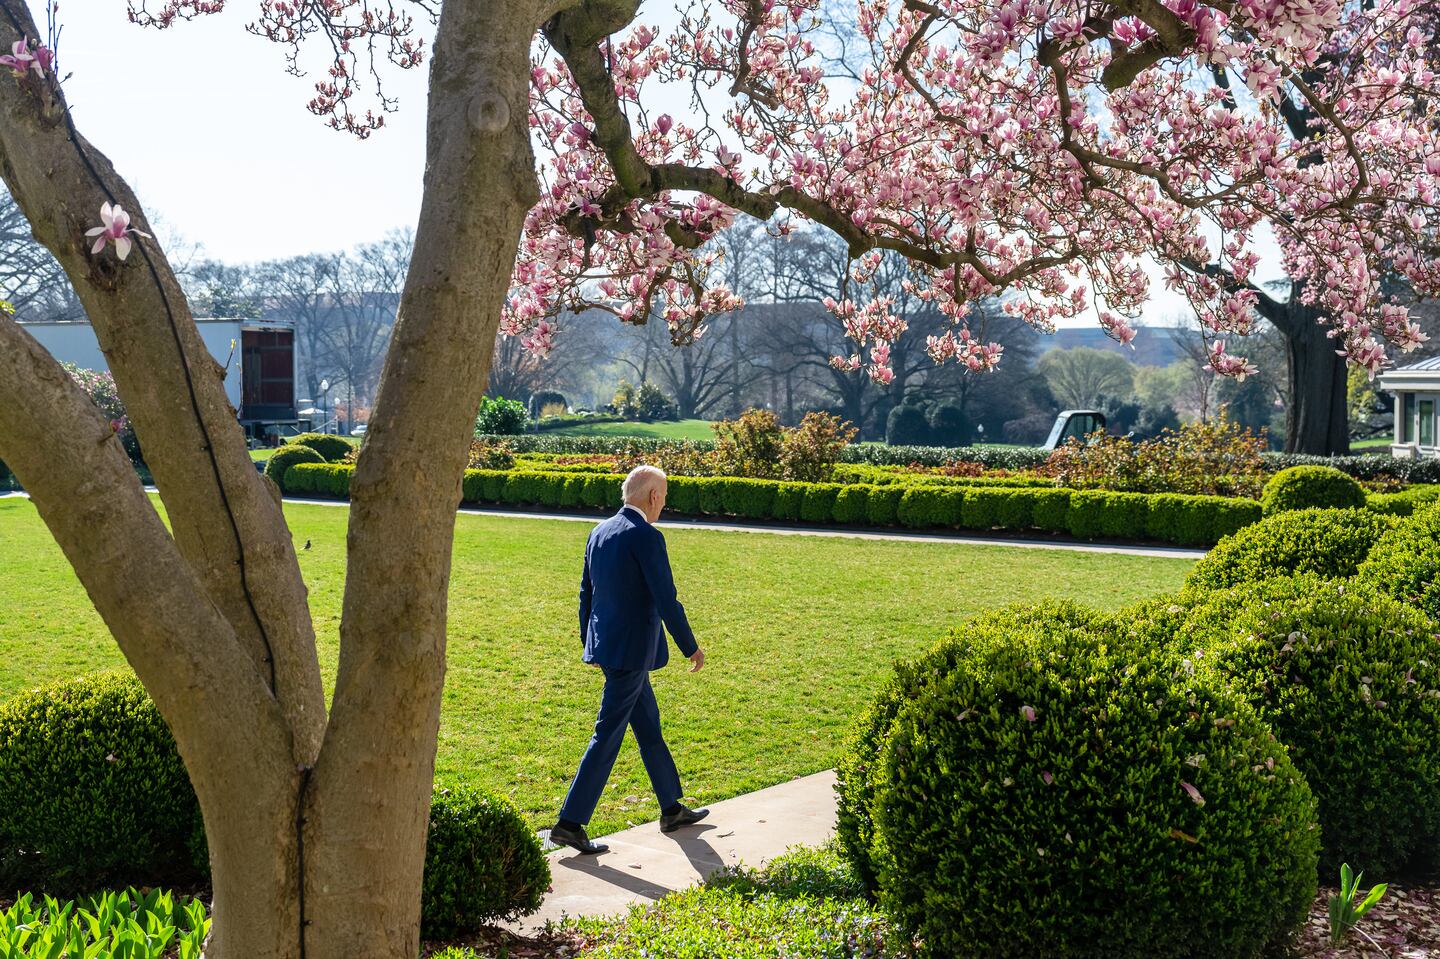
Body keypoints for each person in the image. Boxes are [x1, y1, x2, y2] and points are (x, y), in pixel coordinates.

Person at [549, 465, 709, 855]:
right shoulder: (647, 537)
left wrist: (592, 644)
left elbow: (586, 593)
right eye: (665, 496)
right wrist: (691, 646)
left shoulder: (599, 531)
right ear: (653, 496)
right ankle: (569, 823)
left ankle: (671, 807)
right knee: (608, 734)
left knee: (649, 727)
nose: (665, 504)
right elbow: (666, 599)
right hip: (632, 651)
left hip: (610, 649)